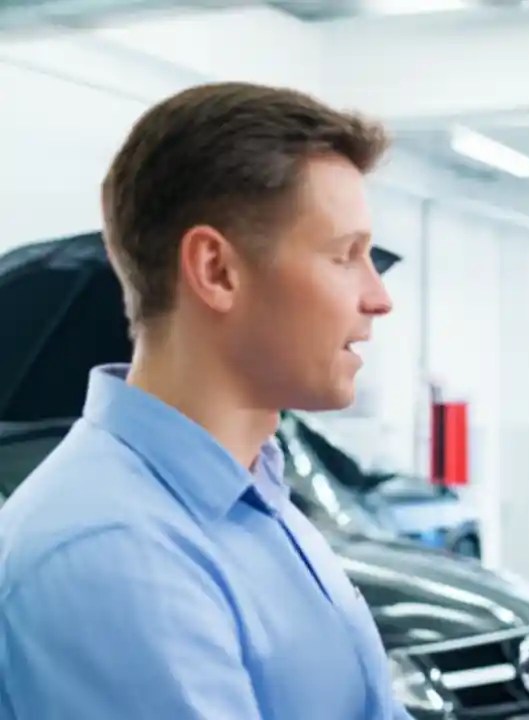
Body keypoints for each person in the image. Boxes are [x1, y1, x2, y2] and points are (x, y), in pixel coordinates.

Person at [0, 82, 410, 719]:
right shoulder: (112, 553)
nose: (379, 297)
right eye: (344, 256)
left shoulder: (256, 501)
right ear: (217, 270)